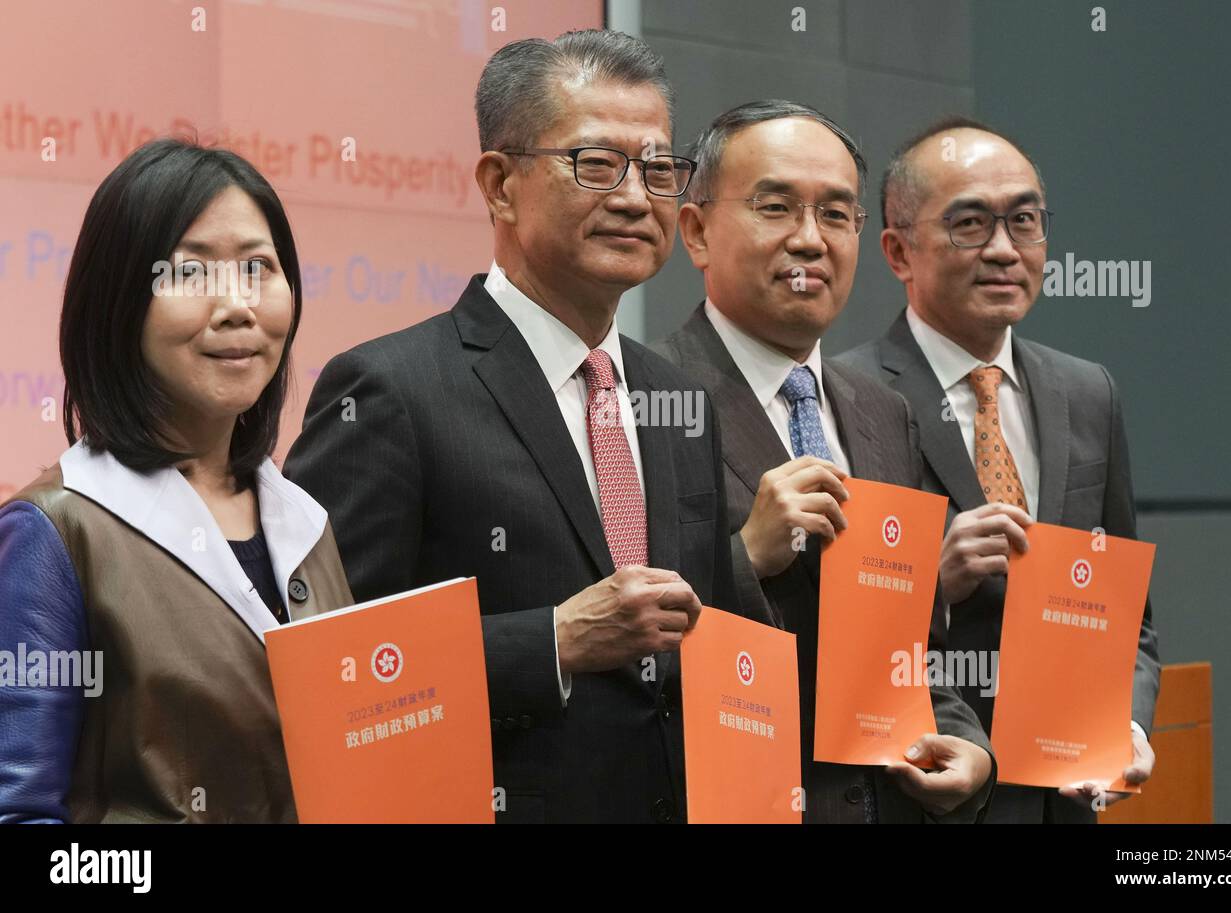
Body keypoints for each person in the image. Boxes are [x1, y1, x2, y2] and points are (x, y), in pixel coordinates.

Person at [284, 30, 749, 824]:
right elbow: (329, 680)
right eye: (596, 164)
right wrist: (555, 640)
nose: (637, 198)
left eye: (658, 168)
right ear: (499, 184)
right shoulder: (389, 389)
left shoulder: (680, 398)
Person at [655, 100, 994, 823]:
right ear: (695, 231)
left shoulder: (883, 412)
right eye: (775, 207)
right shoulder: (645, 402)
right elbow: (628, 664)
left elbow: (914, 644)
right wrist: (745, 555)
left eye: (836, 215)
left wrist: (965, 739)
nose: (810, 240)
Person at [0, 138, 354, 823]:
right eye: (191, 274)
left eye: (259, 268)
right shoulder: (54, 531)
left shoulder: (305, 521)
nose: (237, 306)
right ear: (118, 303)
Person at [835, 116, 1160, 823]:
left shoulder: (1088, 390)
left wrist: (1127, 727)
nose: (1006, 250)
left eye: (1025, 221)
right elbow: (830, 628)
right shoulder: (845, 394)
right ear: (897, 250)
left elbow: (1130, 617)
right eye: (971, 225)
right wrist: (934, 582)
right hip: (925, 792)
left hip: (1068, 797)